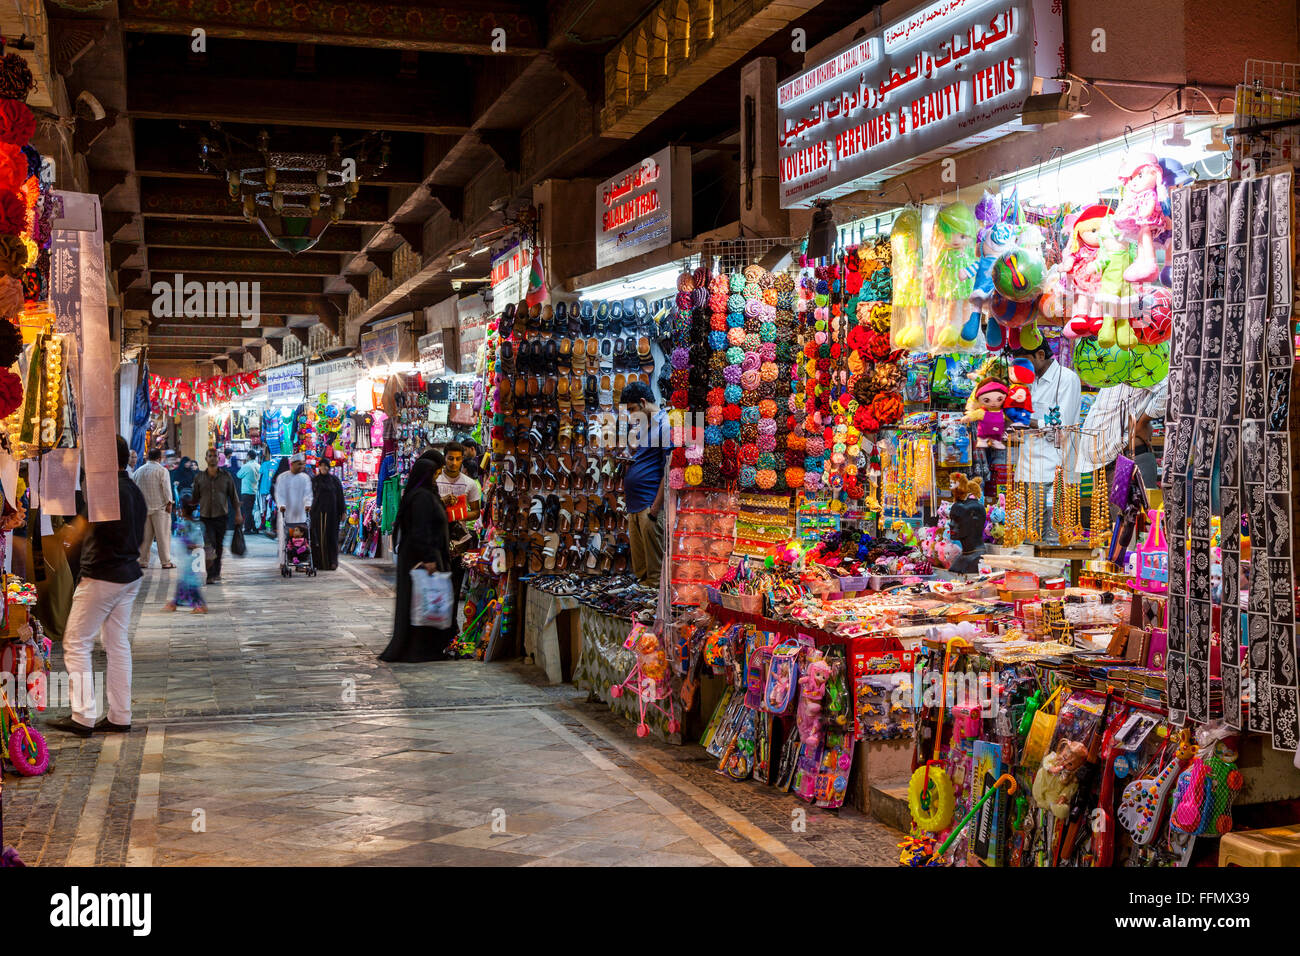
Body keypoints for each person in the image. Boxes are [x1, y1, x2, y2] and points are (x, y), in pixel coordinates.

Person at [47, 436, 147, 737]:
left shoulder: (108, 490)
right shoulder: (133, 489)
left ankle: (83, 716)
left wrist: (67, 540)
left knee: (77, 642)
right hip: (128, 575)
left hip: (103, 576)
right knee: (116, 644)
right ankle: (120, 715)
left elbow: (84, 529)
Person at [380, 451, 455, 662]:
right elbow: (422, 530)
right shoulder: (422, 497)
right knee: (422, 603)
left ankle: (421, 647)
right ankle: (420, 648)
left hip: (416, 557)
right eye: (434, 474)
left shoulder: (420, 494)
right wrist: (430, 558)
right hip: (421, 558)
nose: (436, 479)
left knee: (420, 602)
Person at [1014, 341, 1083, 545]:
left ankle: (1054, 577)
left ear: (1041, 354)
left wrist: (1025, 421)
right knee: (1032, 536)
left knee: (1052, 538)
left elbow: (1061, 424)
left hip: (1054, 470)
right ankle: (1035, 576)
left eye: (1024, 361)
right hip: (1029, 468)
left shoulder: (1067, 379)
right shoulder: (1029, 381)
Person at [620, 381, 669, 589]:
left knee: (655, 575)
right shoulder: (643, 425)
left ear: (642, 402)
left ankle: (651, 617)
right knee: (641, 571)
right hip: (635, 505)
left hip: (649, 507)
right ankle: (638, 610)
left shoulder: (665, 425)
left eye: (631, 409)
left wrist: (655, 510)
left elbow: (668, 470)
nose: (631, 415)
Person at [436, 442, 481, 616]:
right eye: (450, 458)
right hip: (437, 540)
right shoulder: (436, 480)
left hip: (460, 543)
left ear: (463, 459)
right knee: (438, 585)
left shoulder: (470, 484)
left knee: (455, 586)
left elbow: (476, 512)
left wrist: (459, 514)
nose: (454, 463)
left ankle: (452, 624)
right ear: (444, 457)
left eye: (458, 459)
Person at [192, 446, 241, 585]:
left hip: (221, 516)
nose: (213, 458)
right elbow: (195, 498)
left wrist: (238, 514)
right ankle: (210, 574)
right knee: (209, 544)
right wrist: (188, 514)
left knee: (218, 545)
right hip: (205, 517)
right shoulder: (199, 477)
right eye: (210, 456)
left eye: (215, 456)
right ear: (206, 459)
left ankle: (216, 571)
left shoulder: (226, 477)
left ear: (218, 459)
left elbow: (233, 496)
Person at [133, 447, 175, 570]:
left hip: (143, 509)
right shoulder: (162, 471)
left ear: (147, 457)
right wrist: (169, 503)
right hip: (160, 509)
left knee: (145, 537)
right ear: (159, 458)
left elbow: (134, 489)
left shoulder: (138, 471)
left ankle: (143, 561)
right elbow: (166, 489)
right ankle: (165, 562)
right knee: (163, 536)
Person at [165, 494, 207, 614]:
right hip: (190, 557)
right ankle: (175, 603)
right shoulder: (195, 524)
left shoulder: (185, 525)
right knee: (184, 582)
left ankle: (198, 605)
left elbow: (189, 541)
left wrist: (189, 544)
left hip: (189, 558)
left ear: (183, 510)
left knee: (189, 583)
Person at [310, 458, 345, 570]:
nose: (324, 468)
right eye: (322, 465)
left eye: (326, 466)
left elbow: (340, 497)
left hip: (332, 514)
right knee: (319, 538)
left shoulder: (334, 480)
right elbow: (310, 496)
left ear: (329, 468)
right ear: (319, 467)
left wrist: (343, 511)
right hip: (317, 513)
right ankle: (319, 563)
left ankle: (332, 562)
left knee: (332, 537)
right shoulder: (314, 481)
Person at [275, 453, 314, 553]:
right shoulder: (282, 477)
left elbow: (308, 494)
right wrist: (281, 505)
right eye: (299, 464)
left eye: (303, 464)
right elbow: (280, 494)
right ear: (292, 464)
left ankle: (301, 560)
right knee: (285, 538)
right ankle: (284, 561)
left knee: (301, 540)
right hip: (286, 513)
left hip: (301, 514)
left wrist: (308, 504)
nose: (301, 466)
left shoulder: (305, 478)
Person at [237, 452, 261, 533]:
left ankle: (247, 529)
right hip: (256, 491)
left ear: (249, 456)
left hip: (247, 491)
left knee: (247, 511)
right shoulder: (258, 466)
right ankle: (255, 528)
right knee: (255, 510)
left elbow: (238, 475)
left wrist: (243, 465)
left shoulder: (246, 466)